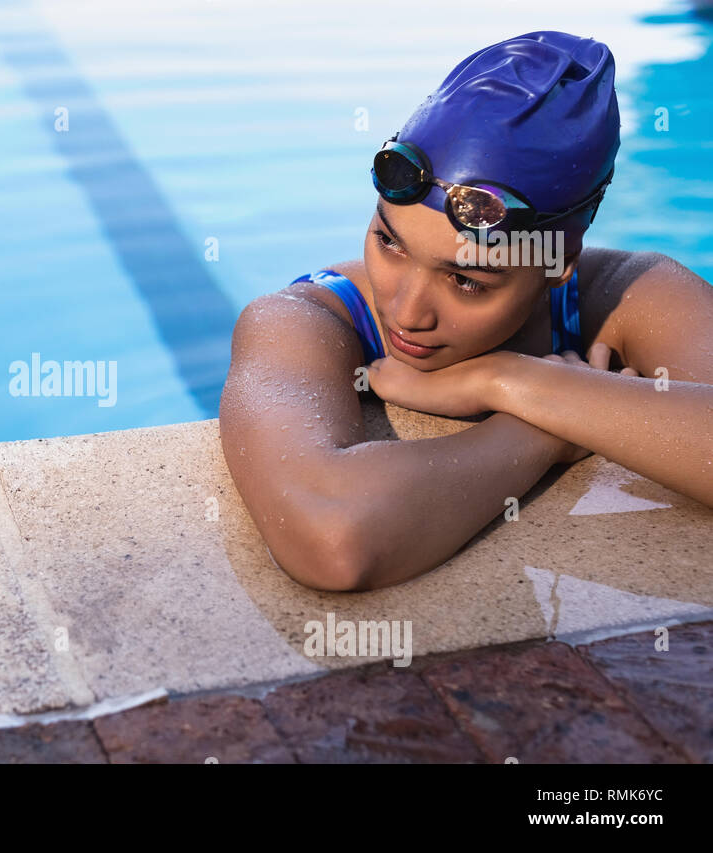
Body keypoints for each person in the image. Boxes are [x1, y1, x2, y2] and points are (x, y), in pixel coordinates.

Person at [219, 31, 713, 592]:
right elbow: (332, 540)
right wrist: (541, 434)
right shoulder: (306, 318)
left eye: (466, 280)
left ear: (558, 261)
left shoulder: (629, 295)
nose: (406, 311)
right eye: (390, 243)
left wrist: (507, 379)